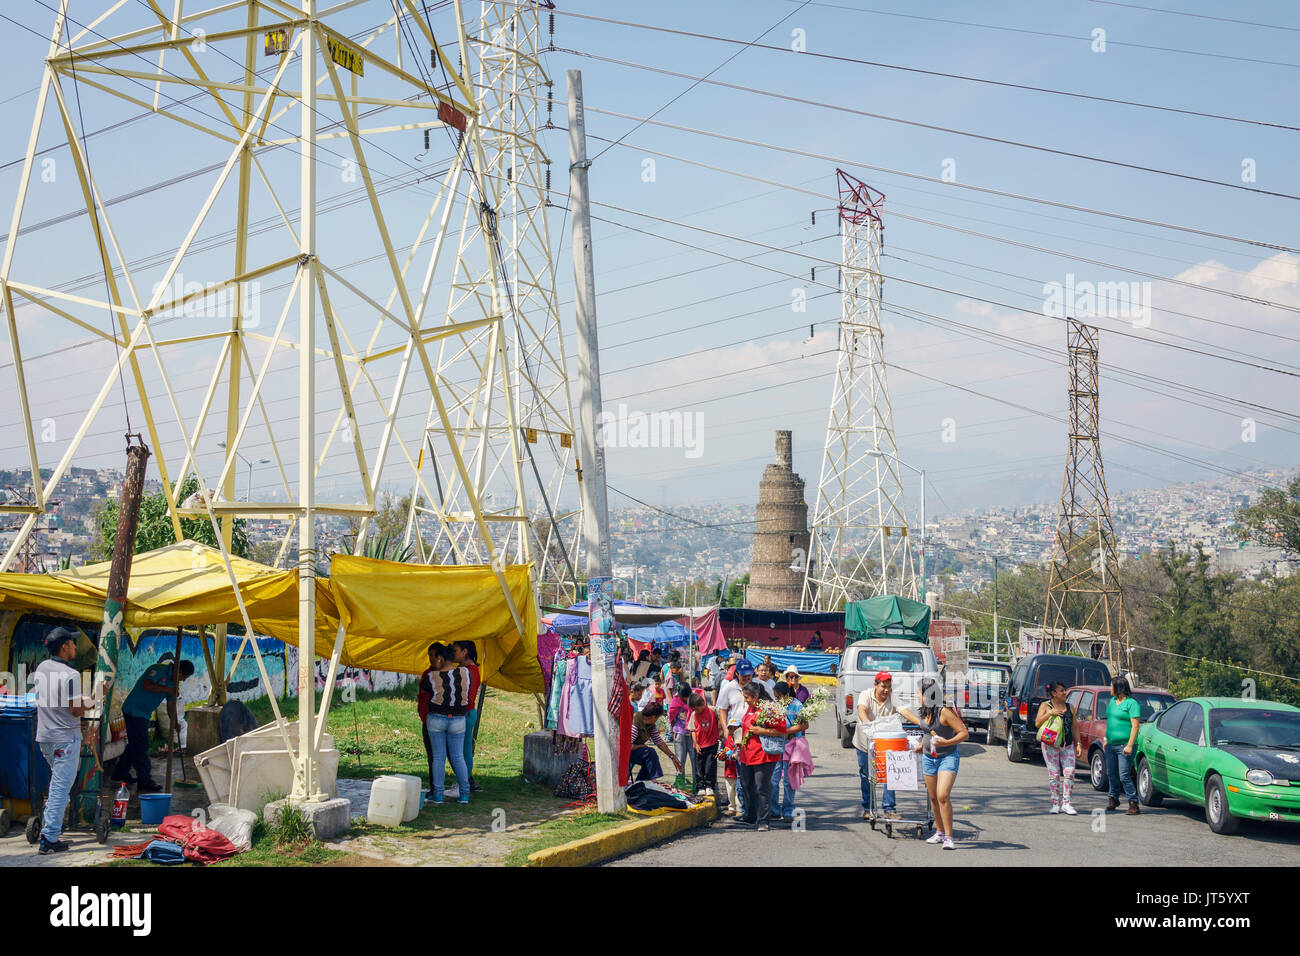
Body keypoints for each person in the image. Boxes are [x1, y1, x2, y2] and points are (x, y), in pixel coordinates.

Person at [33, 628, 96, 854]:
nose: (76, 647)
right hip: (65, 739)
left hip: (45, 737)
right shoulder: (71, 675)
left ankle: (49, 827)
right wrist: (94, 700)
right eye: (73, 643)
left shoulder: (41, 668)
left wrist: (91, 698)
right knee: (60, 788)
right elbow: (75, 709)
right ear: (64, 647)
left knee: (56, 785)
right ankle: (49, 838)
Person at [899, 677, 969, 850]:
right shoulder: (924, 712)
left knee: (942, 795)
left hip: (948, 757)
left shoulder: (944, 711)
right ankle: (939, 832)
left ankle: (949, 837)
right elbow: (928, 733)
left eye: (918, 693)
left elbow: (964, 733)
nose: (916, 696)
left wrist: (946, 742)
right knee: (933, 798)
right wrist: (921, 746)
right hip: (929, 757)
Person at [114, 654, 194, 793]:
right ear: (179, 671)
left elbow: (170, 705)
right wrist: (168, 689)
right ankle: (145, 781)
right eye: (184, 677)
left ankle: (119, 773)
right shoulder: (158, 670)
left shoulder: (174, 683)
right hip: (134, 710)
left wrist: (175, 723)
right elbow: (147, 685)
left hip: (144, 713)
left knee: (134, 744)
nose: (183, 680)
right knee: (142, 745)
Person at [422, 645, 474, 804]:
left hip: (436, 718)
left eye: (434, 657)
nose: (432, 661)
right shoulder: (465, 672)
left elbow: (425, 689)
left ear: (441, 658)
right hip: (458, 719)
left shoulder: (431, 676)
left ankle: (438, 795)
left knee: (438, 757)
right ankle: (464, 794)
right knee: (458, 757)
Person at [736, 682, 785, 831]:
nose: (745, 700)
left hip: (763, 755)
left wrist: (761, 731)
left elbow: (781, 731)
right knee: (746, 785)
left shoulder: (770, 709)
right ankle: (750, 816)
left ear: (756, 696)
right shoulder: (751, 708)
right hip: (746, 754)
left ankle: (764, 820)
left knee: (761, 787)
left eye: (747, 697)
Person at [854, 670, 900, 821]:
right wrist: (870, 727)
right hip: (864, 743)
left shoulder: (893, 698)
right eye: (883, 686)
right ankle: (868, 807)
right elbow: (861, 710)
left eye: (888, 687)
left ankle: (889, 808)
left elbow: (904, 711)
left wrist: (922, 723)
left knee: (890, 773)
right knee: (867, 775)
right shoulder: (866, 694)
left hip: (884, 743)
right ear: (876, 685)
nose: (886, 690)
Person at [715, 658, 755, 816]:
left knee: (751, 771)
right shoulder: (729, 688)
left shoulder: (757, 686)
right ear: (737, 673)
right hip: (734, 733)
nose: (747, 678)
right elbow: (722, 709)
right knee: (735, 769)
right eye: (743, 675)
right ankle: (739, 806)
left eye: (749, 675)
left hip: (754, 733)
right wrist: (725, 729)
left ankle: (750, 806)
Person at [1035, 680, 1078, 815]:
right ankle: (1055, 804)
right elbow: (1037, 723)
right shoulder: (1045, 705)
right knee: (1054, 774)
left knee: (1069, 772)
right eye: (1061, 691)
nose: (1065, 693)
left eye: (1065, 690)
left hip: (1068, 745)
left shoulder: (1070, 707)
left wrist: (1079, 744)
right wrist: (1050, 713)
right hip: (1050, 744)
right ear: (1053, 693)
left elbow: (1075, 727)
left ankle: (1066, 803)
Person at [770, 680, 809, 823]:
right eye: (775, 697)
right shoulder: (774, 706)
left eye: (779, 696)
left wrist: (787, 731)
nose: (777, 699)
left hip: (792, 747)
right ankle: (773, 810)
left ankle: (788, 810)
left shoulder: (797, 705)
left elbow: (804, 725)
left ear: (786, 694)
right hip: (775, 746)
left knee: (788, 780)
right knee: (773, 780)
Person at [1103, 675, 1142, 815]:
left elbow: (1135, 726)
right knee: (1110, 773)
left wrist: (1130, 745)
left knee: (1124, 775)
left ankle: (1133, 802)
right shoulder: (1113, 702)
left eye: (1111, 686)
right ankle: (1113, 798)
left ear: (1118, 687)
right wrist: (1105, 739)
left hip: (1124, 746)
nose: (1110, 688)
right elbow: (1110, 721)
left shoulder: (1131, 704)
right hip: (1111, 745)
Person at [451, 640, 482, 794]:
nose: (452, 653)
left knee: (462, 751)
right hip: (467, 713)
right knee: (464, 750)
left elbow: (467, 696)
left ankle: (462, 785)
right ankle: (464, 783)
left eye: (455, 650)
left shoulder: (469, 670)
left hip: (465, 713)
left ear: (464, 652)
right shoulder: (468, 669)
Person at [628, 702, 683, 782]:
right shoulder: (635, 724)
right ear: (654, 717)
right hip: (624, 754)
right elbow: (626, 747)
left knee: (651, 756)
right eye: (658, 718)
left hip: (633, 751)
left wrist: (673, 757)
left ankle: (642, 782)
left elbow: (659, 742)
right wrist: (641, 746)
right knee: (650, 752)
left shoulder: (651, 725)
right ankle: (651, 779)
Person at [687, 692, 725, 796]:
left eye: (697, 708)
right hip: (699, 746)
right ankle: (700, 786)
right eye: (694, 709)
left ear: (703, 704)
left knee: (710, 765)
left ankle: (709, 786)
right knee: (699, 767)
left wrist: (721, 731)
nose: (696, 711)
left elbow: (722, 718)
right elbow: (693, 730)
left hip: (712, 743)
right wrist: (696, 743)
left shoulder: (713, 710)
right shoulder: (694, 715)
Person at [416, 643, 440, 785]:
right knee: (432, 756)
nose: (432, 658)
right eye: (430, 655)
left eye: (434, 655)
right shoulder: (427, 674)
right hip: (428, 719)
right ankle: (434, 786)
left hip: (442, 720)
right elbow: (422, 696)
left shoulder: (447, 673)